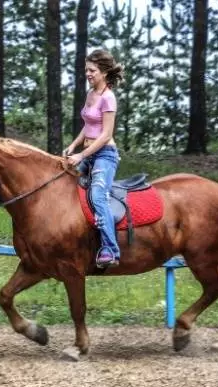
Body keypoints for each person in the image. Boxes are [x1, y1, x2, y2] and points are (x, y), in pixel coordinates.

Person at [64, 49, 124, 268]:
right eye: (86, 70)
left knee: (98, 195)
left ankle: (110, 249)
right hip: (88, 152)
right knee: (63, 180)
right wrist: (73, 145)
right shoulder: (91, 94)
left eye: (92, 70)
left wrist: (81, 155)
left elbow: (105, 135)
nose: (88, 74)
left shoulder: (109, 98)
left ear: (104, 72)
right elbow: (88, 126)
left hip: (105, 155)